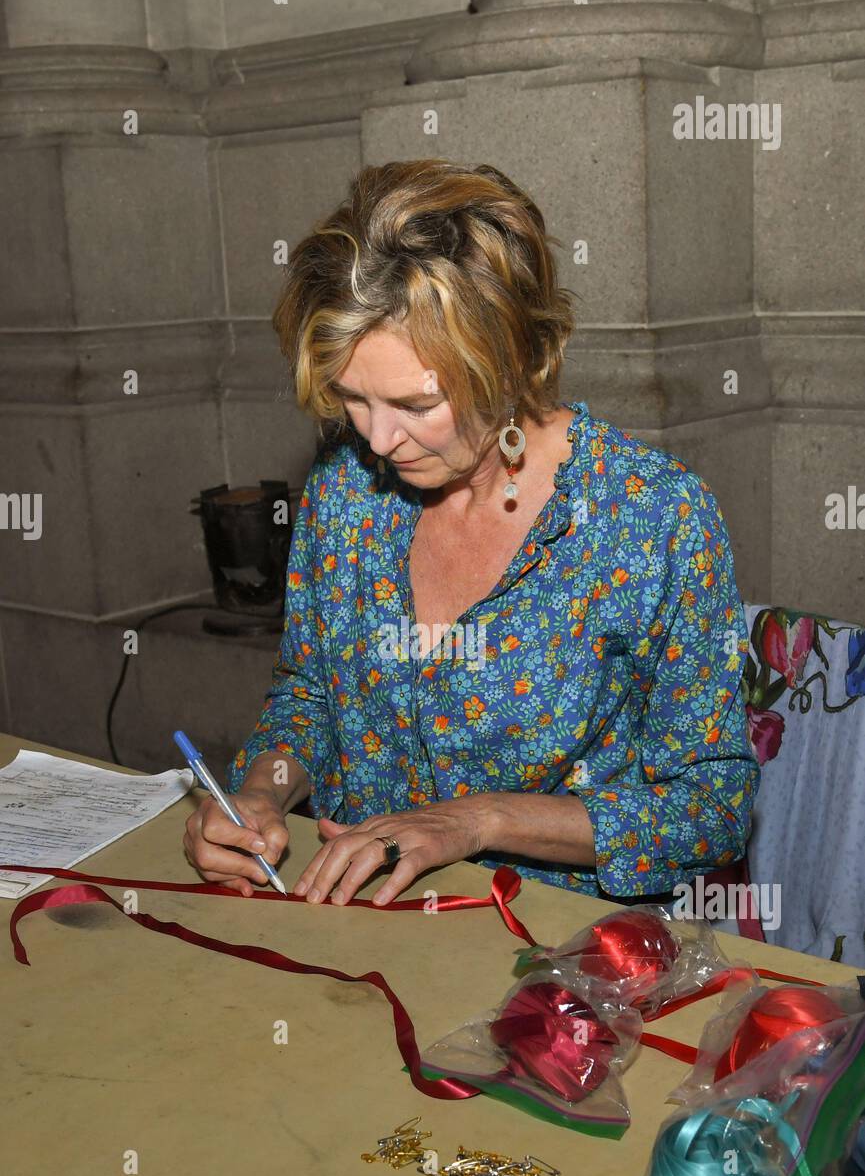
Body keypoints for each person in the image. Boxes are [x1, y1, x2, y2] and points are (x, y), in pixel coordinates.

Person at [183, 158, 760, 909]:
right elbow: (313, 695)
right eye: (350, 398)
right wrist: (261, 794)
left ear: (512, 360)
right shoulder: (345, 489)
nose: (378, 439)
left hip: (554, 954)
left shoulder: (652, 518)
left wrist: (475, 821)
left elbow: (708, 809)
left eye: (415, 405)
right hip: (355, 920)